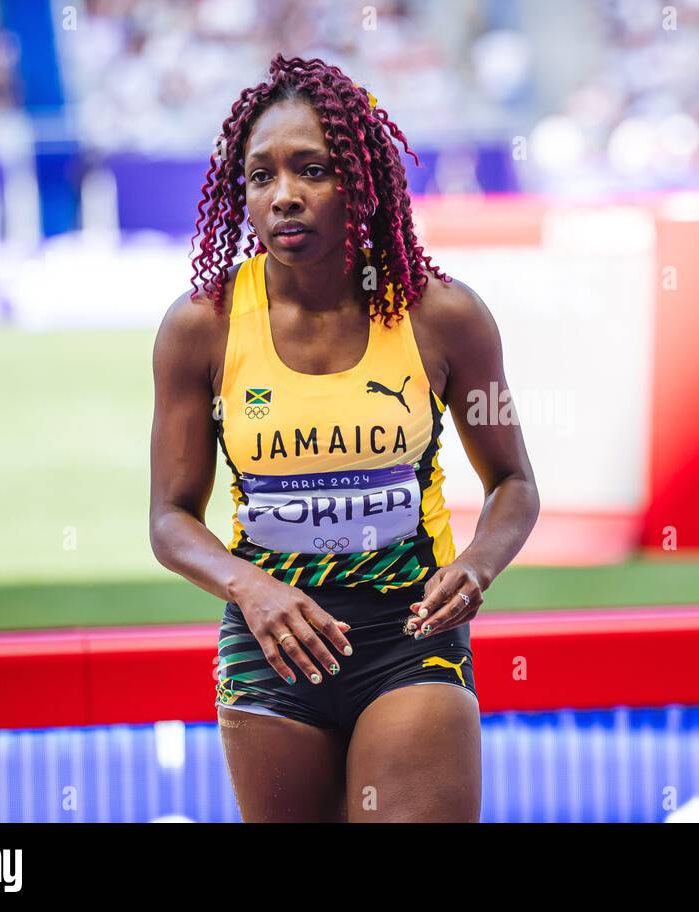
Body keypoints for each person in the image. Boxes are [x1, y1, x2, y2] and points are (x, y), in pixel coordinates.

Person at [149, 55, 539, 822]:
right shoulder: (202, 327)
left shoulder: (444, 317)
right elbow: (169, 520)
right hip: (272, 645)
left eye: (312, 170)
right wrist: (250, 588)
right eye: (260, 176)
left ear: (358, 180)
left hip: (408, 636)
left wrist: (478, 565)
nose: (283, 196)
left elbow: (513, 484)